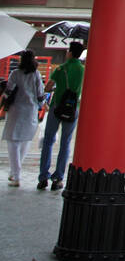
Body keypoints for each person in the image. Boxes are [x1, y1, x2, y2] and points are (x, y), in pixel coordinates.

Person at [38, 40, 85, 192]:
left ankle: (43, 177)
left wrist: (58, 88)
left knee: (48, 141)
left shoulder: (61, 69)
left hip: (57, 107)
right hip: (72, 109)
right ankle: (58, 178)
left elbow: (48, 86)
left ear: (70, 52)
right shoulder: (83, 70)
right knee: (65, 143)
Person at [2, 51, 44, 186]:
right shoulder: (36, 74)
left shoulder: (15, 73)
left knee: (13, 143)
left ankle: (16, 174)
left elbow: (8, 92)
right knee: (25, 141)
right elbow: (40, 94)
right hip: (30, 111)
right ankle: (15, 173)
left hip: (16, 110)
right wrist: (42, 105)